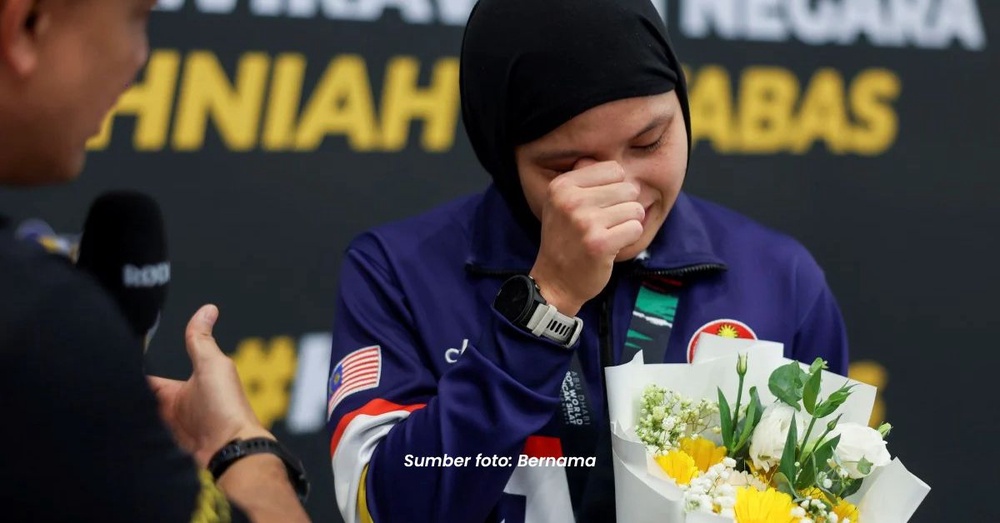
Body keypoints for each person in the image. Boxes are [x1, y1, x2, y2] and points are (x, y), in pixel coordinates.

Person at [326, 0, 849, 521]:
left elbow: (827, 502)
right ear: (501, 156)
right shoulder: (397, 272)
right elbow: (385, 511)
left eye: (649, 142)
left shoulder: (781, 277)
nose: (621, 192)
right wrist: (545, 302)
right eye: (567, 166)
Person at [0, 0, 310, 520]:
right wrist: (239, 444)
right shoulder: (34, 329)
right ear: (26, 23)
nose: (140, 57)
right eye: (137, 18)